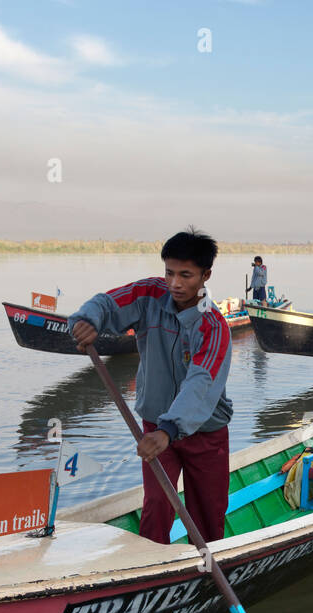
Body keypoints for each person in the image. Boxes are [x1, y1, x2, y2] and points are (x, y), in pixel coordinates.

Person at [68, 228, 232, 546]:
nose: (175, 283)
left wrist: (168, 430)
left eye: (186, 275)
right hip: (155, 426)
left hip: (205, 435)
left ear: (206, 275)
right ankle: (150, 566)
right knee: (157, 506)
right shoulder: (148, 296)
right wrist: (85, 321)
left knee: (208, 516)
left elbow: (201, 385)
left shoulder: (213, 327)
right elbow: (106, 304)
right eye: (169, 272)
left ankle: (208, 568)